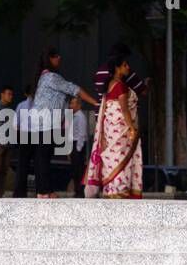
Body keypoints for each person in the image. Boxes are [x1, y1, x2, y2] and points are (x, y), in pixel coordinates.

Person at [18, 48, 97, 198]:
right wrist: (95, 102)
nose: (59, 58)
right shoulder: (52, 77)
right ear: (50, 59)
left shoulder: (42, 77)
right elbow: (75, 89)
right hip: (46, 122)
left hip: (38, 122)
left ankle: (42, 191)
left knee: (41, 156)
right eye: (56, 56)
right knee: (44, 157)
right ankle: (45, 190)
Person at [84, 54, 143, 198]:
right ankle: (119, 191)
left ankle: (111, 191)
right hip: (120, 132)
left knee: (111, 158)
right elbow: (124, 110)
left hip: (111, 132)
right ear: (118, 68)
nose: (128, 67)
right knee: (121, 160)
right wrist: (132, 129)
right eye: (125, 65)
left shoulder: (109, 85)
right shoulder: (120, 86)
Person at [69, 96, 88, 197]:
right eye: (70, 103)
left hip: (78, 145)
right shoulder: (74, 116)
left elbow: (82, 133)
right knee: (75, 170)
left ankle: (80, 192)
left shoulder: (80, 117)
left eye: (73, 103)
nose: (70, 106)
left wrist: (78, 149)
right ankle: (77, 191)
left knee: (79, 170)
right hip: (74, 144)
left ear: (79, 105)